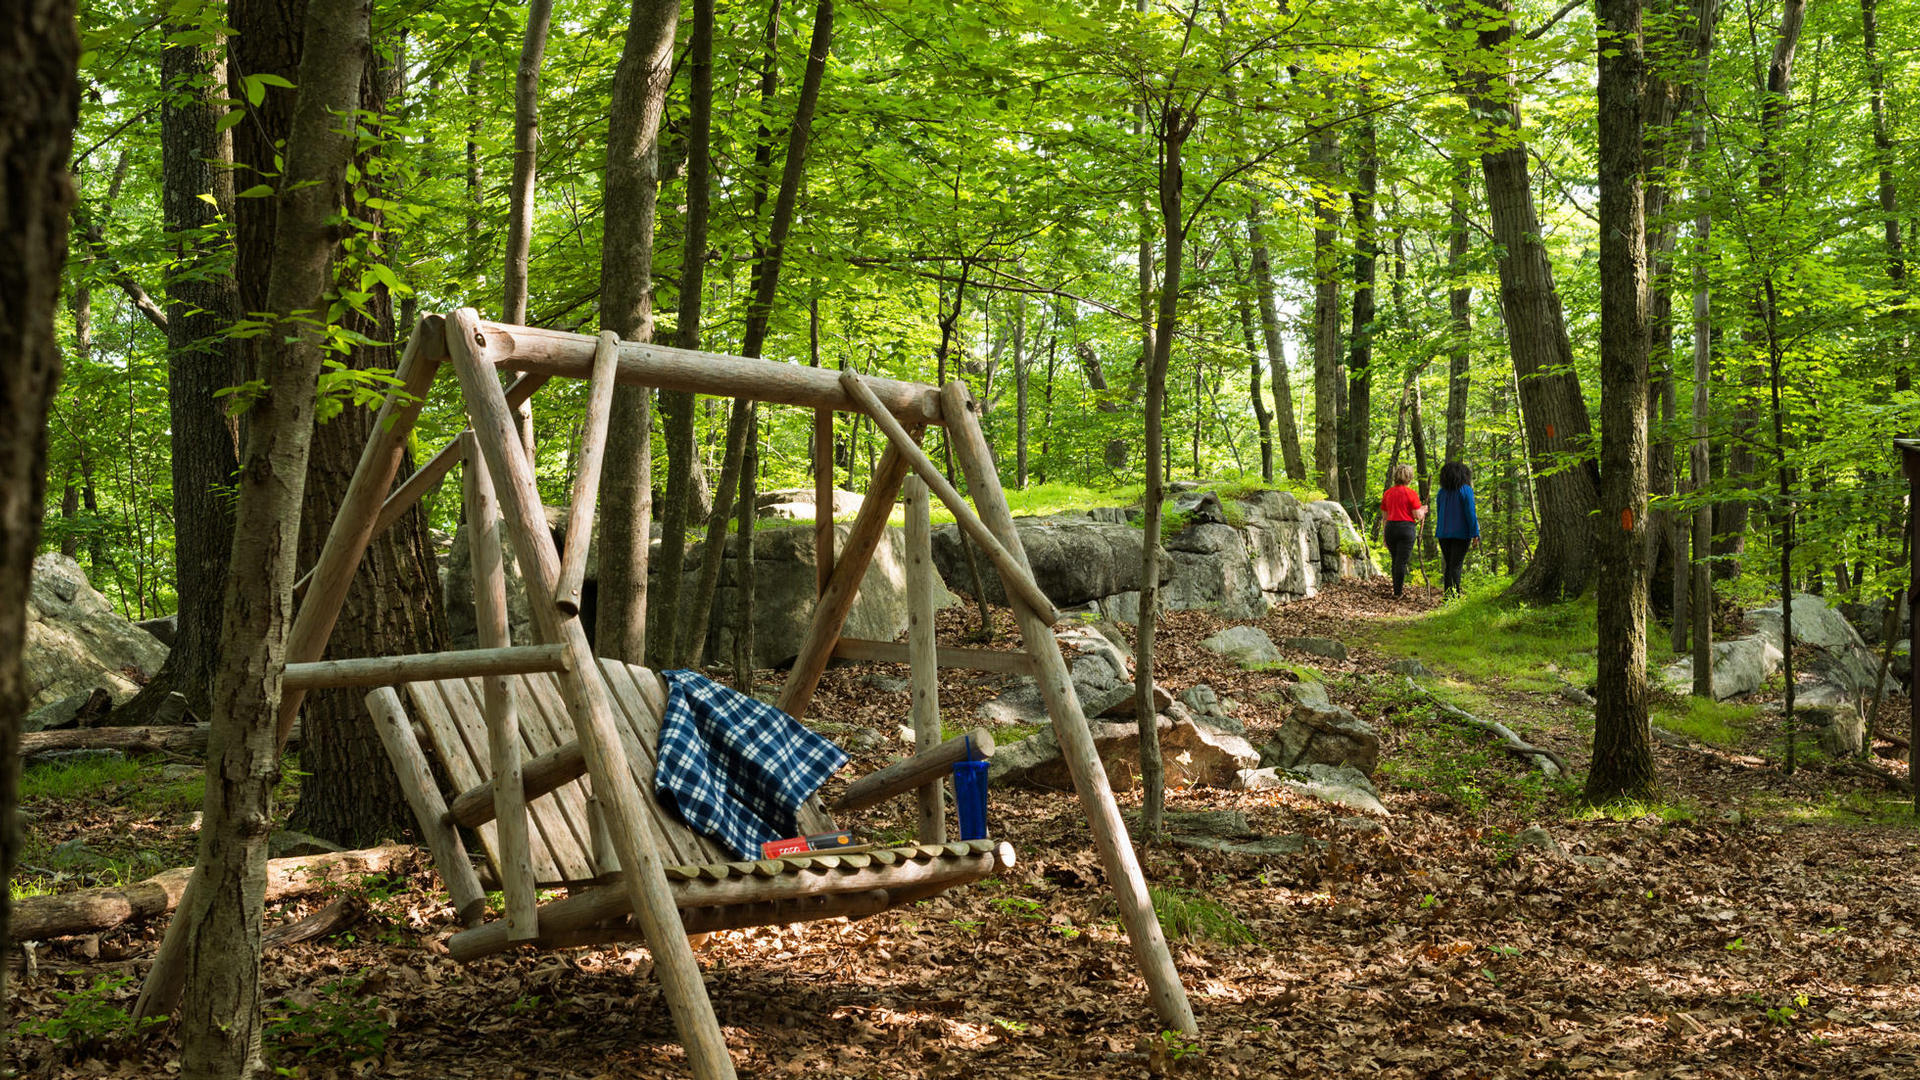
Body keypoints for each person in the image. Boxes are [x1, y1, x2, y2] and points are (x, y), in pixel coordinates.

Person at [1434, 460, 1480, 598]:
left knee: (1449, 565)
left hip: (1443, 533)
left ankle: (1449, 597)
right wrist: (1475, 533)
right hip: (1461, 533)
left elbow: (1439, 512)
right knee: (1456, 566)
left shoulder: (1441, 492)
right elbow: (1470, 513)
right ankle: (1454, 597)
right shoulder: (1466, 490)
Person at [1380, 463, 1425, 599]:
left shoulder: (1388, 493)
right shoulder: (1411, 493)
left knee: (1395, 560)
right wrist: (1423, 510)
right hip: (1406, 528)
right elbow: (1417, 515)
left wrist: (1384, 536)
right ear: (1409, 478)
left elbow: (1384, 517)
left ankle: (1396, 590)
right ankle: (1398, 593)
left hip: (1391, 528)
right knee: (1401, 561)